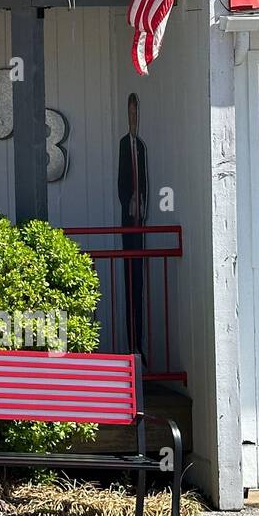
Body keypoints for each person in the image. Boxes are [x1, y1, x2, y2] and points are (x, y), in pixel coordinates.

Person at [116, 92, 149, 361]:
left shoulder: (142, 147)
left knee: (139, 280)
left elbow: (145, 181)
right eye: (130, 113)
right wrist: (128, 201)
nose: (133, 118)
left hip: (140, 221)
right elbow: (122, 180)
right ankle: (130, 343)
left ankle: (139, 343)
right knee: (129, 278)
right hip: (128, 220)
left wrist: (143, 204)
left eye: (135, 113)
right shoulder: (123, 145)